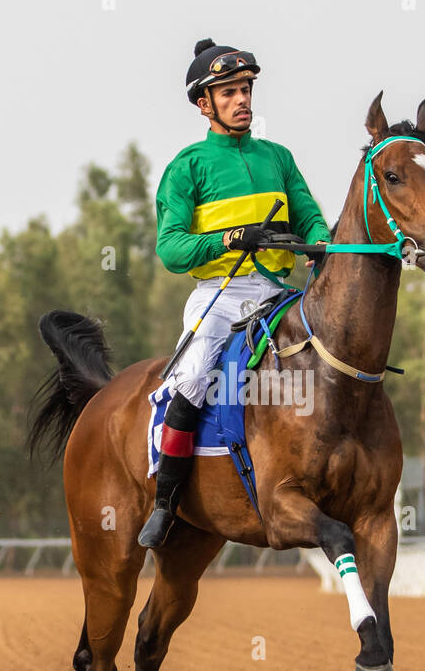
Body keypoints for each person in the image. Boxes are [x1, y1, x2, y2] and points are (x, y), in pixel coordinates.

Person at [138, 38, 331, 548]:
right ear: (205, 104)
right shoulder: (188, 166)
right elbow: (171, 249)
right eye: (228, 93)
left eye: (245, 89)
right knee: (195, 375)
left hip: (277, 292)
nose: (242, 99)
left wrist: (320, 243)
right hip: (220, 294)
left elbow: (307, 212)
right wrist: (227, 239)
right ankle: (165, 502)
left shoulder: (279, 158)